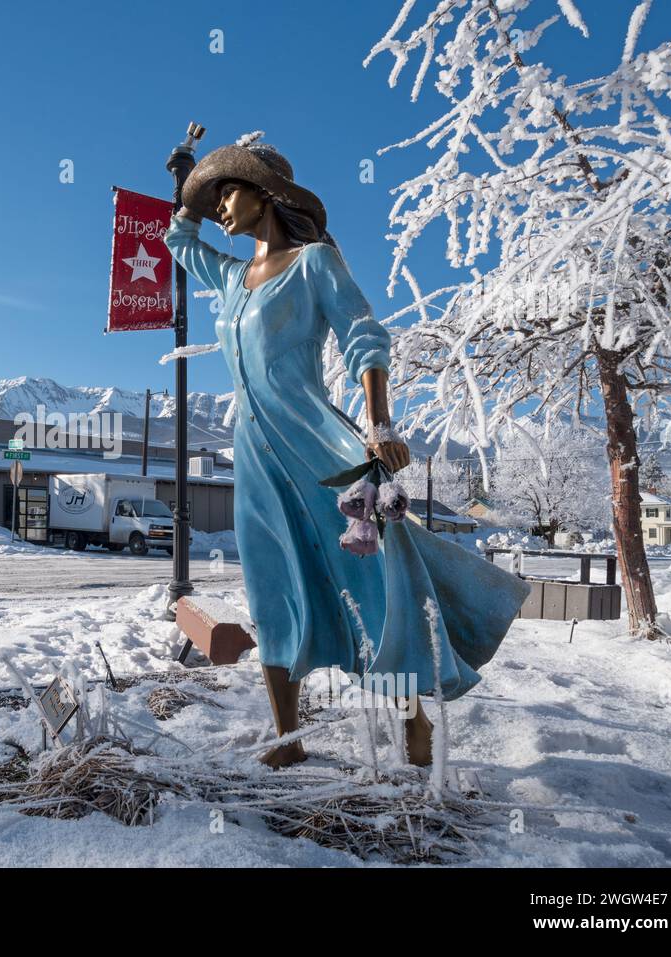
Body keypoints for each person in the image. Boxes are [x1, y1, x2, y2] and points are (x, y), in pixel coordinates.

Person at [164, 134, 528, 768]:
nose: (222, 207)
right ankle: (288, 738)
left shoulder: (313, 265)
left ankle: (416, 730)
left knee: (374, 574)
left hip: (315, 440)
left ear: (266, 194)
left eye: (230, 191)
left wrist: (380, 422)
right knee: (271, 582)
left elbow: (364, 338)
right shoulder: (230, 279)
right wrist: (189, 186)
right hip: (254, 451)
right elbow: (180, 243)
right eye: (217, 197)